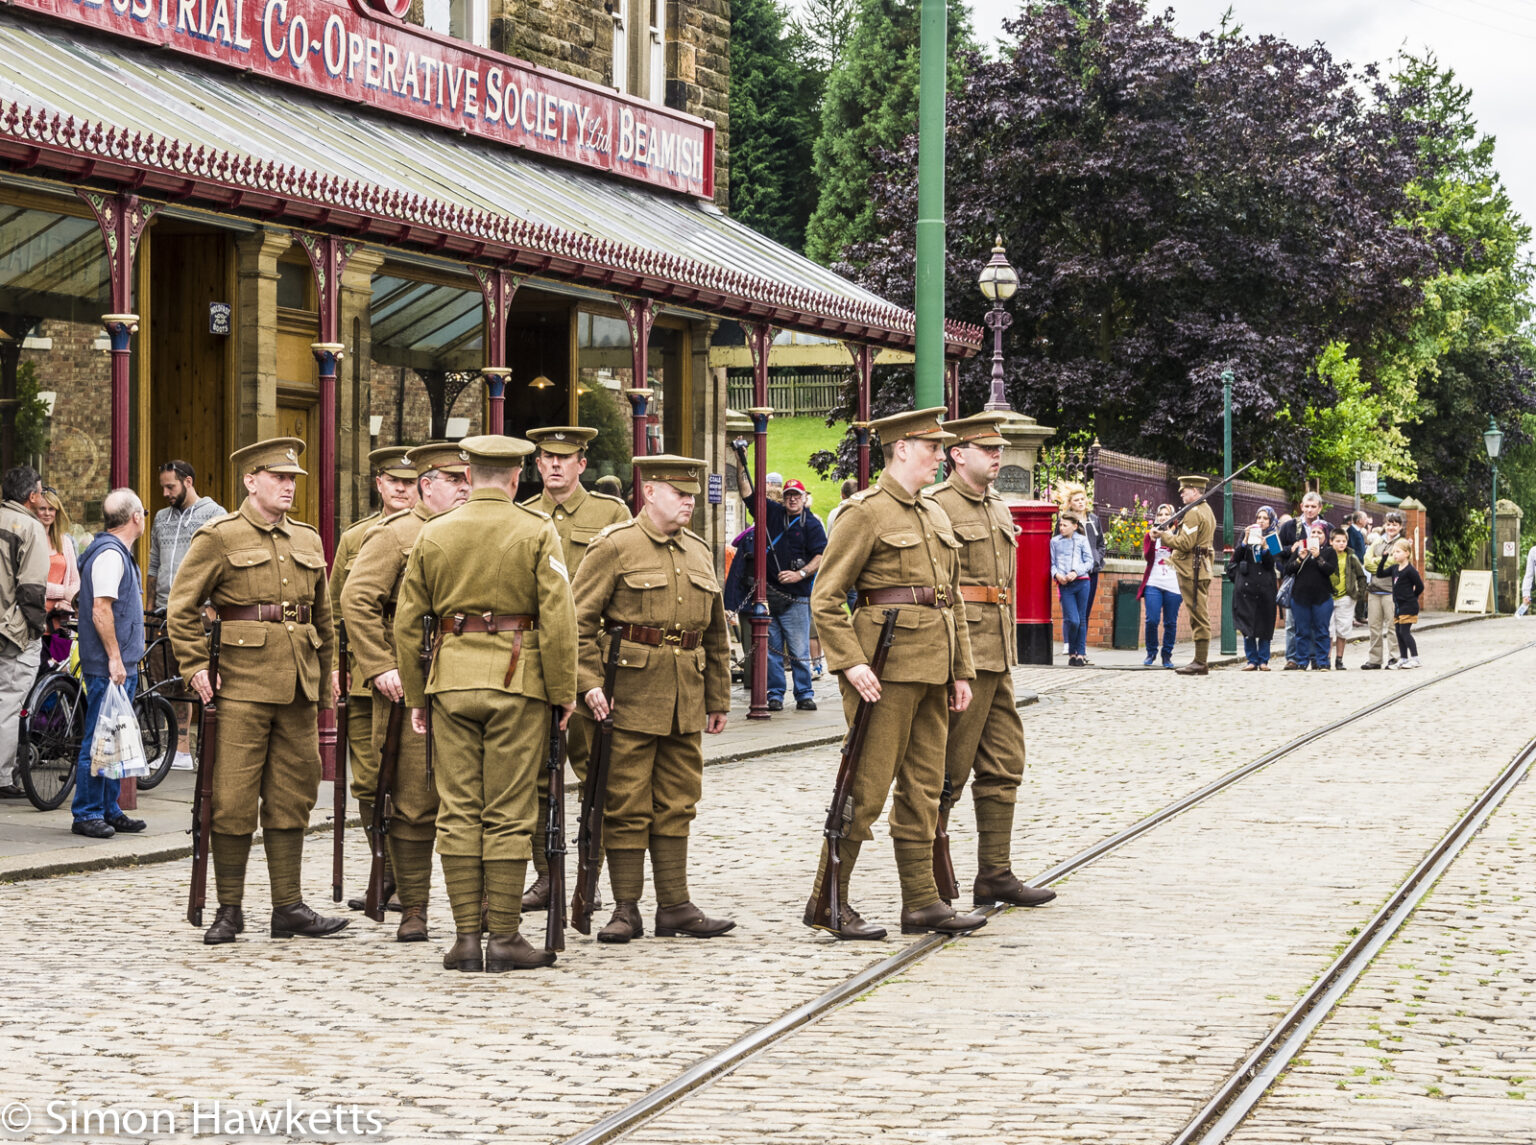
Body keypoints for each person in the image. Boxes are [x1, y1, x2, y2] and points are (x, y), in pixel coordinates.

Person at [394, 435, 578, 973]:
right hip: (518, 683)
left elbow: (408, 623)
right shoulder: (537, 530)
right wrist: (562, 691)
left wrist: (416, 693)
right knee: (508, 810)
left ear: (469, 475)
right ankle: (504, 935)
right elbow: (559, 620)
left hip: (449, 682)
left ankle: (465, 939)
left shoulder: (435, 532)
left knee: (457, 809)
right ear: (517, 477)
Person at [806, 408, 984, 940]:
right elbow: (826, 596)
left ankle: (923, 902)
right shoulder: (864, 513)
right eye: (931, 447)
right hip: (883, 671)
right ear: (902, 448)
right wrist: (852, 661)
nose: (939, 456)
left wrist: (960, 670)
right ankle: (828, 901)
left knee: (925, 788)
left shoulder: (932, 514)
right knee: (865, 787)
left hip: (932, 669)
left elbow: (948, 599)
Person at [167, 437, 346, 945]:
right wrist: (195, 666)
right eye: (279, 477)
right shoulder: (218, 536)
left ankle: (287, 906)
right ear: (251, 480)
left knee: (294, 796)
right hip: (240, 686)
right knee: (232, 800)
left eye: (293, 479)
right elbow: (181, 608)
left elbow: (324, 621)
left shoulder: (309, 540)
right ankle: (230, 909)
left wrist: (327, 680)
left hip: (297, 687)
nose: (289, 486)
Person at [572, 455, 734, 944]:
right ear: (649, 493)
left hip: (685, 693)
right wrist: (588, 682)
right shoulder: (615, 547)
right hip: (628, 695)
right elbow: (577, 622)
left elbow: (715, 631)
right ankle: (625, 907)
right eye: (678, 493)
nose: (688, 502)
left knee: (679, 801)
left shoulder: (699, 551)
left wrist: (718, 696)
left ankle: (675, 905)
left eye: (691, 494)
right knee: (625, 802)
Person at [339, 443, 469, 943]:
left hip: (463, 680)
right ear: (426, 484)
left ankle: (476, 906)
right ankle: (413, 906)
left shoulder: (470, 529)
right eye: (454, 481)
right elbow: (356, 600)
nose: (464, 489)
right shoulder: (396, 535)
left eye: (468, 481)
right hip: (410, 684)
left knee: (469, 800)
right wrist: (379, 666)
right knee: (411, 800)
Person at [926, 414, 1055, 909]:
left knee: (1004, 762)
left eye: (1001, 449)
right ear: (957, 455)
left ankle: (995, 872)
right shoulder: (937, 507)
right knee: (947, 771)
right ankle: (928, 874)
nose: (998, 456)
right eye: (987, 450)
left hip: (998, 655)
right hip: (963, 655)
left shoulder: (999, 508)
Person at [518, 426, 629, 913]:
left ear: (583, 464)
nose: (556, 465)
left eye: (566, 458)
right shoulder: (521, 516)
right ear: (537, 464)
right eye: (547, 458)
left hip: (587, 665)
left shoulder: (612, 516)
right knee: (536, 778)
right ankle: (546, 875)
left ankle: (589, 872)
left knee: (595, 773)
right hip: (531, 664)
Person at [330, 445, 417, 912]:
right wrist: (332, 668)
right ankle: (382, 867)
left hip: (413, 670)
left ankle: (405, 880)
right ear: (379, 484)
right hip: (366, 679)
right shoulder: (357, 537)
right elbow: (335, 607)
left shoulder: (430, 531)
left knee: (410, 782)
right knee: (369, 781)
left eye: (410, 482)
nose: (402, 490)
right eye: (394, 482)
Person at [68, 489, 148, 839]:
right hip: (108, 666)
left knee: (113, 739)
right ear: (135, 518)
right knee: (98, 740)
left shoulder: (114, 553)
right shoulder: (110, 556)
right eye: (143, 512)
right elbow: (101, 609)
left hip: (119, 664)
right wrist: (115, 658)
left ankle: (109, 809)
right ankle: (86, 812)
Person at [733, 464, 827, 713]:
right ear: (783, 498)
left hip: (797, 598)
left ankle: (804, 693)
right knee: (772, 650)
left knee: (798, 650)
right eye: (788, 496)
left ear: (804, 497)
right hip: (770, 594)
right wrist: (741, 462)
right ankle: (775, 694)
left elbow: (821, 555)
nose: (793, 499)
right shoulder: (773, 514)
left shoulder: (812, 525)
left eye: (797, 495)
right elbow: (748, 494)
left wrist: (801, 574)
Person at [0, 466, 49, 800]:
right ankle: (2, 778)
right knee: (7, 704)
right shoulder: (30, 527)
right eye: (41, 492)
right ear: (31, 496)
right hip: (12, 631)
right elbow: (32, 591)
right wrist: (37, 630)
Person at [145, 461, 226, 613]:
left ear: (188, 482)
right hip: (162, 611)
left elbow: (225, 566)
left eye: (170, 487)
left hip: (197, 611)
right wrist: (149, 610)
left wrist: (213, 609)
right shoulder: (161, 518)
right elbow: (154, 566)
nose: (165, 493)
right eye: (163, 487)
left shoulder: (215, 514)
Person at [1157, 475, 1218, 675]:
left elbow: (1185, 543)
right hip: (1200, 567)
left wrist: (1164, 535)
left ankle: (1200, 661)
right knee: (1198, 613)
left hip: (1192, 568)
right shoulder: (1206, 510)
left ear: (1195, 491)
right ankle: (1199, 660)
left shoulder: (1194, 512)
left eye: (1185, 490)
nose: (1181, 493)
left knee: (1198, 615)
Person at [1278, 493, 1325, 668]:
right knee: (1292, 622)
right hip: (1295, 578)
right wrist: (1292, 549)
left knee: (1315, 622)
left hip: (1317, 579)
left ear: (1319, 507)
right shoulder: (1290, 526)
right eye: (1307, 506)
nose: (1310, 510)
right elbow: (1279, 551)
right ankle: (1292, 658)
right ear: (1301, 506)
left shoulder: (1326, 527)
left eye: (1313, 506)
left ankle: (1314, 657)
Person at [1228, 506, 1279, 670]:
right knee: (1247, 624)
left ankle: (1263, 660)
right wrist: (1244, 542)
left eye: (1265, 518)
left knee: (1265, 623)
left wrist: (1265, 549)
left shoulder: (1273, 538)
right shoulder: (1246, 534)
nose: (1261, 521)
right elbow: (1236, 557)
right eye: (1259, 518)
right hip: (1247, 587)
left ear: (1271, 521)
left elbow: (1274, 563)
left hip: (1265, 587)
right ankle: (1251, 660)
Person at [1283, 523, 1336, 671]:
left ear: (1325, 536)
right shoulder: (1301, 549)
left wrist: (1318, 557)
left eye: (1320, 533)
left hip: (1322, 597)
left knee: (1322, 630)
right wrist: (1300, 558)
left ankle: (1322, 661)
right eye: (1313, 533)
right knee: (1302, 631)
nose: (1316, 535)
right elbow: (1288, 570)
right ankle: (1301, 661)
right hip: (1300, 597)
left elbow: (1330, 570)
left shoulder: (1329, 552)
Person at [1138, 503, 1182, 668]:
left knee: (1170, 622)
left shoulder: (1178, 534)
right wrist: (1151, 538)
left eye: (1167, 514)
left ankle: (1167, 655)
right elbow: (1148, 557)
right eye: (1160, 514)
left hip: (1173, 584)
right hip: (1154, 582)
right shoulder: (1151, 534)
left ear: (1173, 518)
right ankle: (1151, 652)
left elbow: (1181, 554)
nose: (1163, 517)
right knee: (1152, 619)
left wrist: (1169, 535)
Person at [1361, 511, 1407, 669]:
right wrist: (1377, 563)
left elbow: (1395, 561)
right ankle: (1375, 659)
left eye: (1395, 524)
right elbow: (1366, 561)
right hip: (1374, 589)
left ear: (1400, 527)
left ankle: (1395, 657)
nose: (1391, 527)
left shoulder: (1402, 543)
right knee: (1374, 626)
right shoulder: (1378, 541)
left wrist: (1377, 561)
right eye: (1388, 524)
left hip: (1392, 590)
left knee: (1393, 627)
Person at [1061, 485, 1105, 649]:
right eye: (1076, 500)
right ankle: (1068, 642)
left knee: (1085, 610)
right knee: (1070, 611)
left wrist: (1096, 559)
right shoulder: (1065, 520)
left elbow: (1101, 544)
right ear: (1070, 503)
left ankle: (1080, 646)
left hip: (1091, 571)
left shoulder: (1094, 520)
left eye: (1082, 499)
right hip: (1071, 572)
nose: (1081, 502)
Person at [1051, 513, 1093, 667]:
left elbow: (1089, 561)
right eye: (1060, 525)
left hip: (1082, 582)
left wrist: (1076, 572)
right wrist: (1056, 575)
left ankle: (1080, 654)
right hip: (1065, 585)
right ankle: (1072, 650)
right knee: (1072, 620)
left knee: (1081, 619)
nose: (1061, 528)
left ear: (1074, 526)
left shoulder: (1082, 540)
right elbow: (1052, 563)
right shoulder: (1054, 542)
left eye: (1065, 525)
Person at [35, 487, 79, 624]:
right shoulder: (30, 541)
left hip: (60, 620)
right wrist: (64, 592)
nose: (47, 513)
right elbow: (32, 584)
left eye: (51, 509)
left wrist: (66, 601)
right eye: (42, 508)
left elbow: (76, 581)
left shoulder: (65, 542)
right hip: (35, 618)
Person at [1328, 526, 1368, 670]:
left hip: (1346, 597)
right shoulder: (1327, 555)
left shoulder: (1351, 557)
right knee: (1328, 630)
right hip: (1329, 597)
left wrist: (1359, 594)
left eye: (1344, 541)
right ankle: (1326, 658)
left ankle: (1339, 659)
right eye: (1338, 541)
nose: (1341, 544)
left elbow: (1361, 576)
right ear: (1331, 541)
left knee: (1342, 629)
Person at [1383, 539, 1424, 669]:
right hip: (1398, 606)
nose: (1395, 554)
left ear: (1407, 553)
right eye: (1393, 552)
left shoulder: (1410, 570)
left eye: (1398, 551)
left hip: (1409, 605)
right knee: (1399, 632)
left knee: (1405, 632)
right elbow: (1380, 573)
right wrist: (1383, 559)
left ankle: (1415, 658)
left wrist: (1413, 597)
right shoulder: (1395, 569)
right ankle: (1404, 658)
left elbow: (1420, 586)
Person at [1347, 510, 1371, 623]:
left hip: (1361, 564)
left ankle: (1359, 615)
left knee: (1362, 589)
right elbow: (1351, 549)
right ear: (1359, 520)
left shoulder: (1359, 532)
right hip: (1354, 565)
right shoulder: (1351, 532)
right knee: (1354, 589)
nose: (1366, 521)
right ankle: (1354, 617)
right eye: (1365, 518)